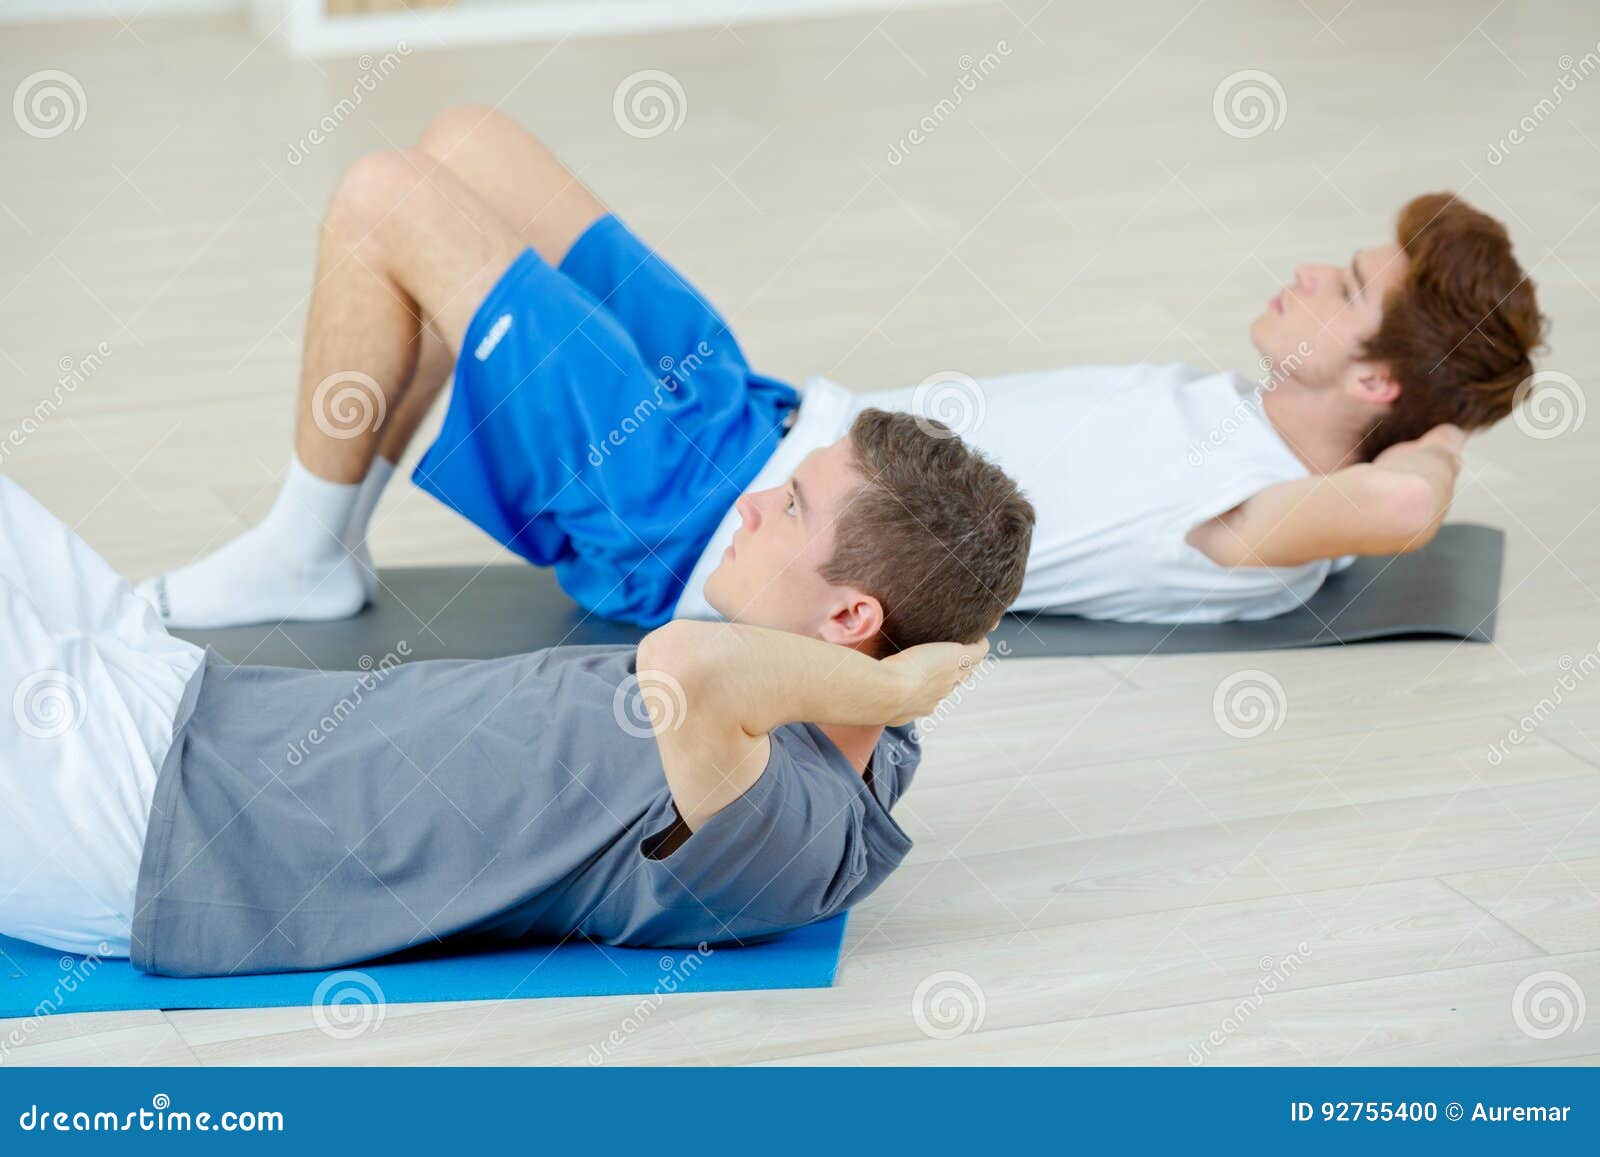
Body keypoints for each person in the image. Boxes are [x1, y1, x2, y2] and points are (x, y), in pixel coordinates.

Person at [135, 107, 1544, 631]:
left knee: (386, 194)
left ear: (1372, 387)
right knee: (464, 147)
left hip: (704, 516)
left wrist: (1440, 432)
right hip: (754, 414)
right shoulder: (1240, 412)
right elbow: (1407, 460)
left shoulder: (1261, 519)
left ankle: (304, 551)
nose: (1310, 273)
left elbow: (1408, 511)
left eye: (1348, 291)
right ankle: (324, 533)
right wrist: (1444, 399)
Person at [0, 392, 1033, 973]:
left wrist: (898, 688)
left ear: (851, 620)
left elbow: (684, 665)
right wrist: (897, 680)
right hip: (185, 696)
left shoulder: (801, 826)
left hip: (147, 818)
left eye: (796, 507)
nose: (755, 502)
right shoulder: (847, 736)